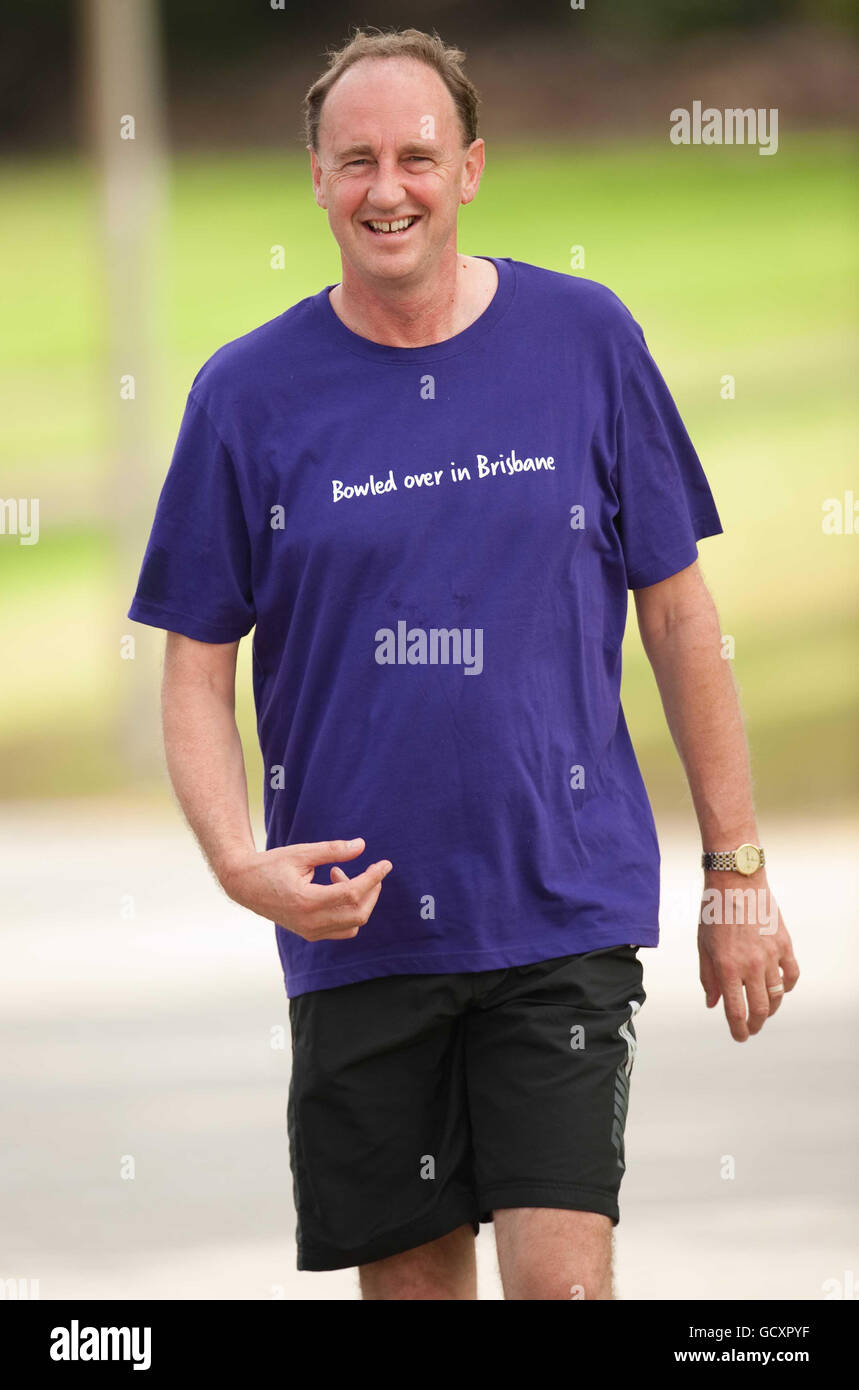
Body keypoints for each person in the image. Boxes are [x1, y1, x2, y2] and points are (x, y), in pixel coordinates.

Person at [127, 27, 800, 1300]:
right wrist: (236, 862)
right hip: (358, 922)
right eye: (358, 159)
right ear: (316, 180)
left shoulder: (584, 339)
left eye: (418, 156)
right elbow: (193, 668)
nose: (389, 187)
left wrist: (736, 869)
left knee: (563, 1286)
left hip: (558, 906)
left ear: (471, 168)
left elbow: (676, 616)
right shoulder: (246, 397)